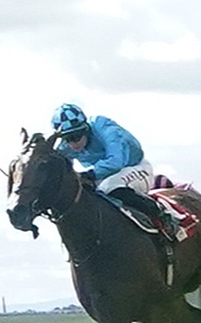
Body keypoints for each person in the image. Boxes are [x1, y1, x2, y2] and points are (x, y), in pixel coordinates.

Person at [50, 104, 179, 246]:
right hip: (105, 177)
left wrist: (88, 175)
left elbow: (116, 161)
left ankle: (161, 214)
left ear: (86, 129)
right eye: (67, 138)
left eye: (77, 135)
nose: (74, 143)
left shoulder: (102, 126)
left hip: (136, 167)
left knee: (109, 186)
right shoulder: (64, 147)